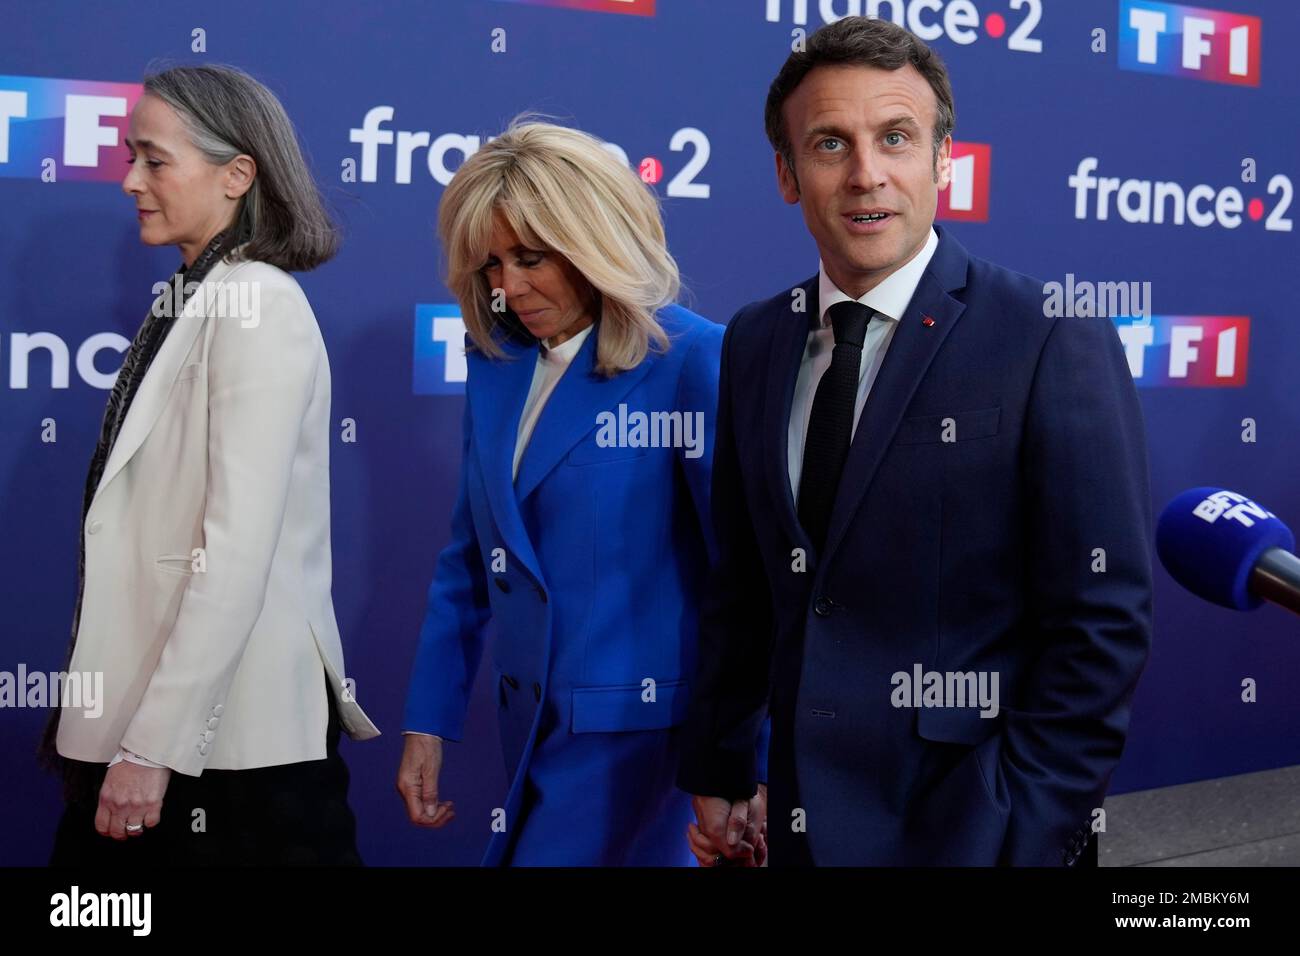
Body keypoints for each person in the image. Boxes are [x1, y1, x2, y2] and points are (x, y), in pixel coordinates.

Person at [677, 16, 1153, 867]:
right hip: (801, 825)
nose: (867, 175)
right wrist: (721, 761)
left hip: (974, 827)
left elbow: (1100, 619)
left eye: (896, 137)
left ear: (942, 161)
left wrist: (1025, 824)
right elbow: (745, 580)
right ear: (788, 175)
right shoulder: (754, 339)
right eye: (830, 144)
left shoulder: (1050, 334)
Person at [396, 120, 767, 866]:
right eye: (493, 263)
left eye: (531, 258)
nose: (508, 286)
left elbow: (748, 581)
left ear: (596, 240)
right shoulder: (496, 365)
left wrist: (739, 764)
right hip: (532, 733)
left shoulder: (694, 358)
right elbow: (472, 555)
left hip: (650, 750)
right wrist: (428, 720)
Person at [41, 63, 378, 865]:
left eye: (155, 160)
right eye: (132, 157)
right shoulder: (195, 298)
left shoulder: (254, 303)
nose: (130, 181)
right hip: (172, 734)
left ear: (237, 175)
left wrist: (153, 747)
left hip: (226, 753)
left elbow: (233, 549)